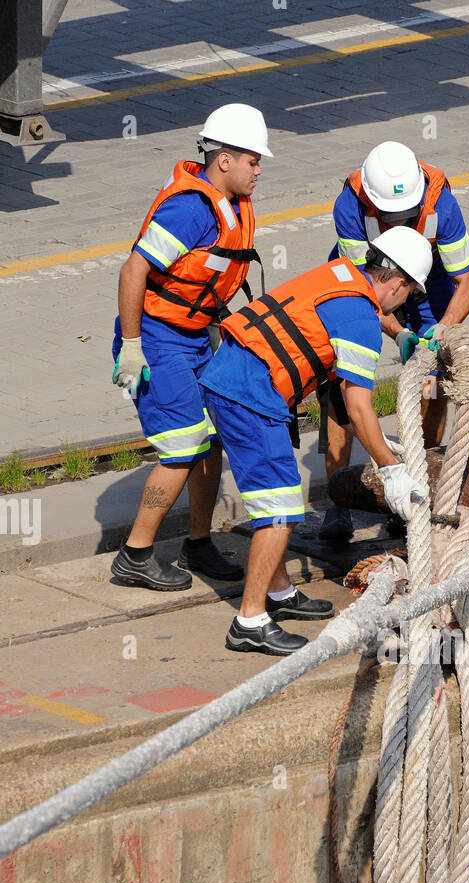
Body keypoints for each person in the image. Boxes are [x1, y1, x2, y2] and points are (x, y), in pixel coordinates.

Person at [198, 227, 433, 656]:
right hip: (251, 396)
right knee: (280, 509)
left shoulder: (341, 272)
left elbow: (362, 306)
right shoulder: (360, 320)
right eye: (411, 294)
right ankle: (249, 621)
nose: (406, 302)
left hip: (232, 376)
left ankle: (279, 591)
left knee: (278, 499)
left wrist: (396, 332)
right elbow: (358, 406)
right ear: (398, 282)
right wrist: (391, 468)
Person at [110, 104, 271, 591]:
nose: (259, 170)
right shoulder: (190, 209)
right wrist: (133, 346)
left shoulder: (228, 204)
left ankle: (197, 544)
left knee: (209, 441)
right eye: (253, 161)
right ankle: (135, 554)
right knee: (182, 447)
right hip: (159, 339)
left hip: (195, 333)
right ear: (224, 160)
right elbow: (133, 270)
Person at [319, 140, 469, 544]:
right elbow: (360, 292)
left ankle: (416, 489)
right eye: (390, 216)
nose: (400, 220)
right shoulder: (350, 207)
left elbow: (468, 281)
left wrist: (439, 332)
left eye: (406, 213)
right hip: (371, 278)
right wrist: (400, 332)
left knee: (433, 379)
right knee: (340, 382)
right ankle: (338, 502)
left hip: (430, 280)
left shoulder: (442, 204)